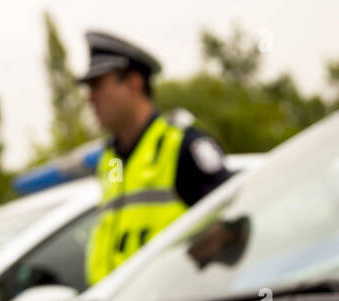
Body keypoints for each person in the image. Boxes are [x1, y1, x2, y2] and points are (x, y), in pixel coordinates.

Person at [78, 30, 233, 285]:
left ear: (134, 82)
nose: (90, 98)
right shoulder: (111, 159)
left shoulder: (182, 146)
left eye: (97, 85)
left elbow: (229, 233)